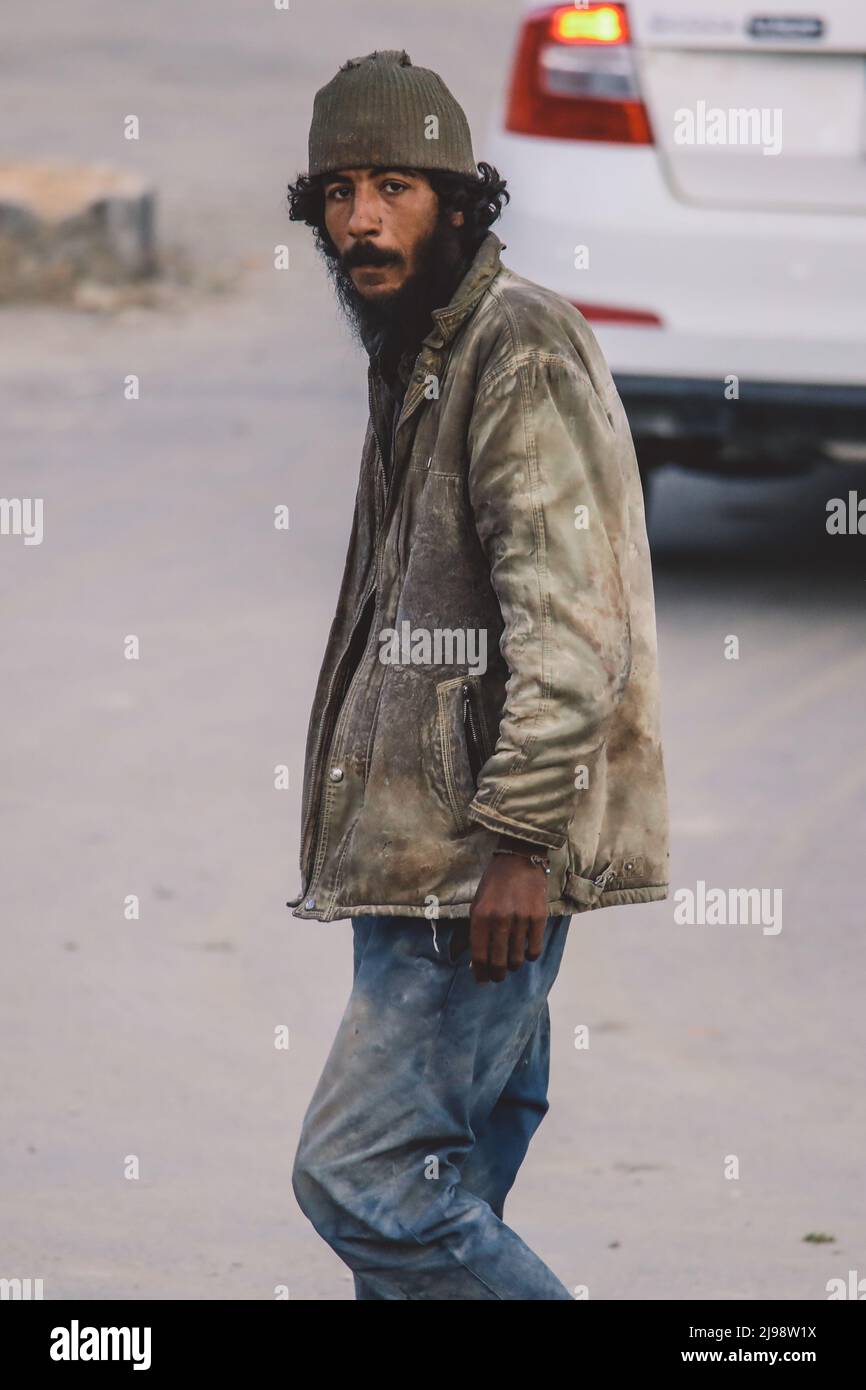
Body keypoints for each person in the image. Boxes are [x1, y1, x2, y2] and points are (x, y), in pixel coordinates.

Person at [285, 49, 669, 1300]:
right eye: (339, 191)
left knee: (364, 1179)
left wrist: (517, 842)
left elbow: (570, 628)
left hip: (475, 867)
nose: (360, 220)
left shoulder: (514, 350)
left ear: (458, 203)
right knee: (434, 1197)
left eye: (394, 186)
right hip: (428, 856)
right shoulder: (419, 351)